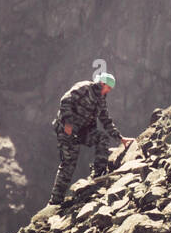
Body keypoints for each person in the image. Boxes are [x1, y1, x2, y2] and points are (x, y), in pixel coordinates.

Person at [47, 73, 133, 207]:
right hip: (66, 130)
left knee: (102, 138)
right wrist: (68, 123)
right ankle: (55, 201)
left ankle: (99, 173)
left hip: (83, 131)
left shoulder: (101, 99)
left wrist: (119, 138)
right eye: (108, 88)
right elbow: (65, 101)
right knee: (69, 163)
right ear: (102, 84)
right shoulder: (84, 88)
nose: (109, 91)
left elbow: (105, 120)